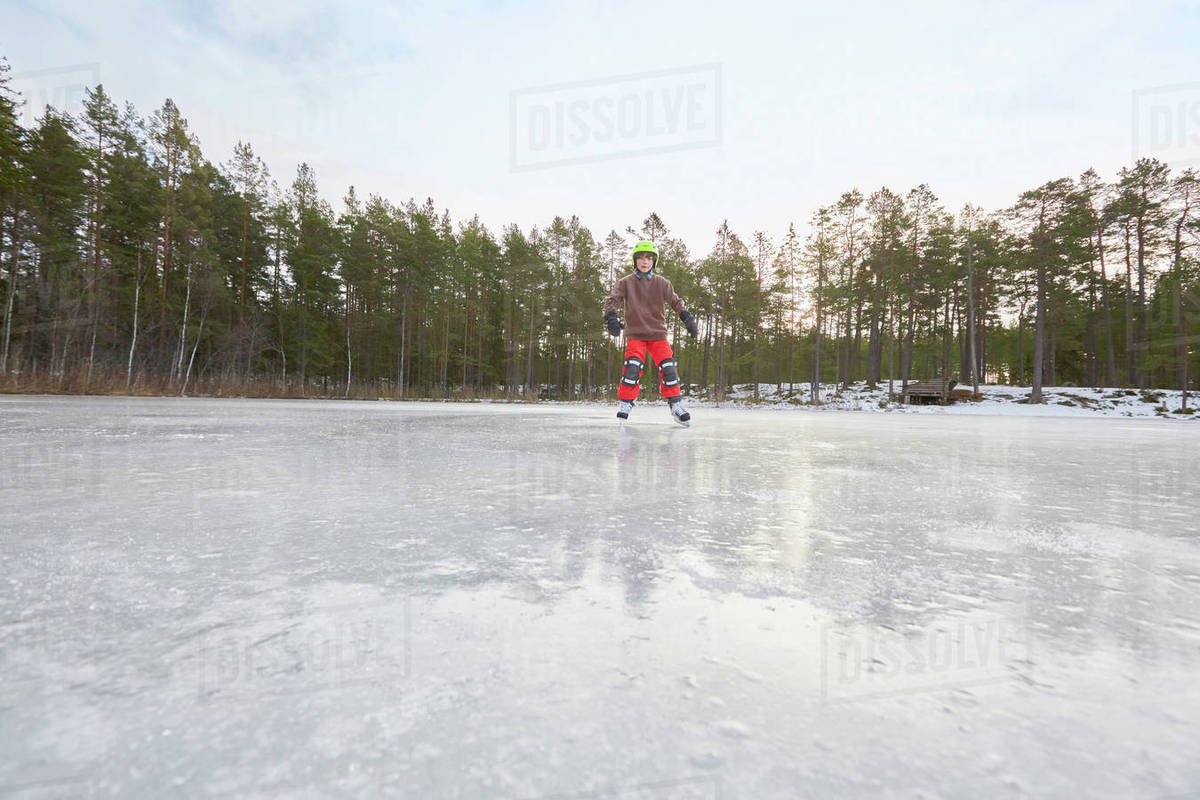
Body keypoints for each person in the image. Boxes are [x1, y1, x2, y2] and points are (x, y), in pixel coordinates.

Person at [603, 240, 699, 424]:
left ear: (654, 261)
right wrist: (611, 317)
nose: (644, 262)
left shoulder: (662, 283)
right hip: (636, 335)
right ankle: (626, 403)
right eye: (640, 258)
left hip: (657, 334)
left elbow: (676, 302)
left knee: (668, 367)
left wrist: (687, 318)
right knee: (633, 367)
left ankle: (676, 405)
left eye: (648, 258)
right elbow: (612, 300)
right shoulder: (625, 283)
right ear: (635, 261)